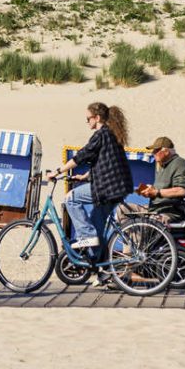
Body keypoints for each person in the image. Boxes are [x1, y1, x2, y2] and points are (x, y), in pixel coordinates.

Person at [46, 102, 133, 273]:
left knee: (71, 198)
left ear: (97, 117)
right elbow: (105, 163)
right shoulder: (112, 134)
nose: (87, 123)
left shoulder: (101, 134)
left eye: (88, 119)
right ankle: (100, 271)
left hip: (107, 188)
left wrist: (57, 172)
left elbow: (82, 155)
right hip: (117, 187)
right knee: (97, 231)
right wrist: (85, 177)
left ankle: (86, 236)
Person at [118, 137, 185, 224]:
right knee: (122, 209)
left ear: (166, 151)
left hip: (168, 212)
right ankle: (134, 237)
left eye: (156, 151)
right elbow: (159, 190)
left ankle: (140, 237)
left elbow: (181, 191)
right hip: (154, 208)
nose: (153, 153)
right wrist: (150, 191)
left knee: (150, 223)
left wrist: (156, 192)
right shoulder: (162, 166)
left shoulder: (179, 163)